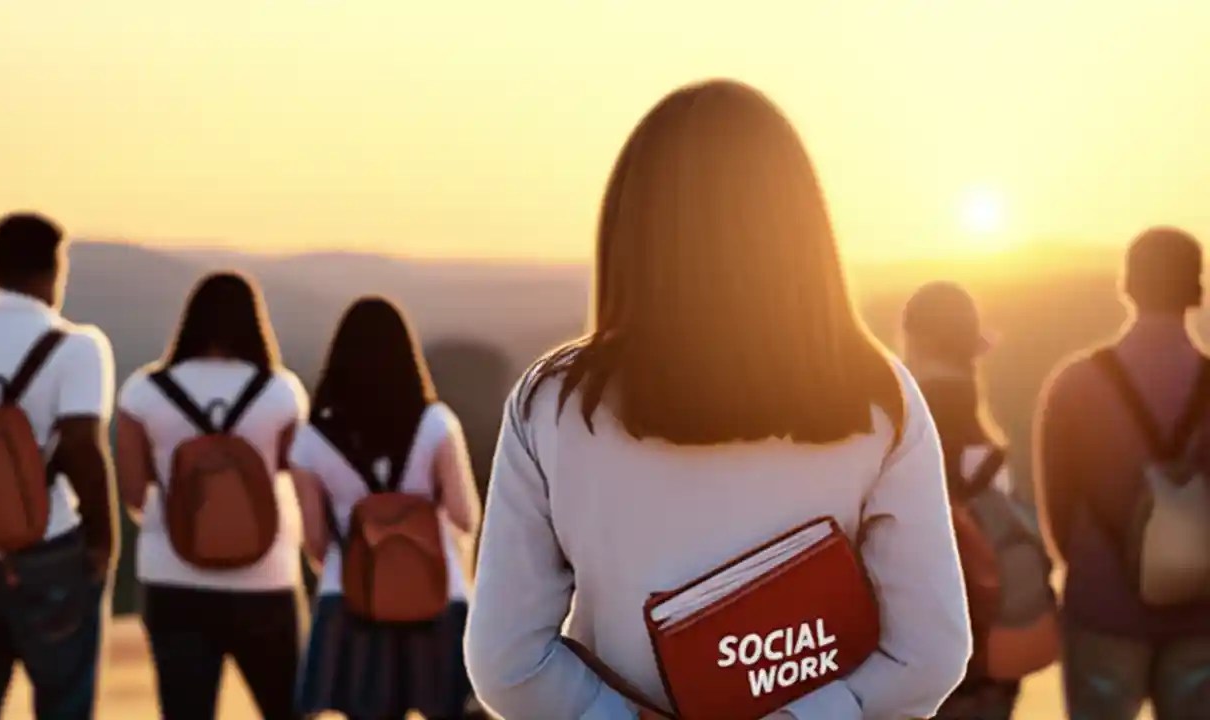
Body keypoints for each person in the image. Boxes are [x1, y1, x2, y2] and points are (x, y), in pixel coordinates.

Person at [463, 79, 971, 720]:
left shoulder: (553, 404)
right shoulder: (881, 399)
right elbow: (931, 651)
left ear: (631, 226)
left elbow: (506, 663)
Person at [0, 212, 118, 719]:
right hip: (49, 551)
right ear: (56, 271)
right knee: (64, 707)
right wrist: (103, 543)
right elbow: (83, 447)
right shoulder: (78, 347)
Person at [114, 272, 309, 720]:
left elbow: (132, 493)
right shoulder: (281, 391)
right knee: (287, 709)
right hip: (267, 577)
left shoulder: (143, 391)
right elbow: (293, 474)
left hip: (172, 576)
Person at [1036, 227, 1210, 720]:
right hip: (1201, 616)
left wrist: (1107, 568)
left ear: (1128, 285)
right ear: (1197, 291)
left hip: (1103, 606)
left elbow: (1057, 512)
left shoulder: (1073, 385)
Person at [290, 296, 481, 720]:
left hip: (349, 599)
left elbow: (316, 543)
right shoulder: (436, 423)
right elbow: (465, 515)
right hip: (438, 591)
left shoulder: (310, 439)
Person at [902, 282, 1022, 720]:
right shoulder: (990, 455)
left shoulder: (896, 440)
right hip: (990, 667)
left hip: (917, 668)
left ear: (916, 339)